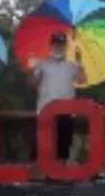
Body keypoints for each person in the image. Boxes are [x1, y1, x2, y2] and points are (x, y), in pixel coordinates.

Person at [27, 32, 86, 165]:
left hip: (66, 111)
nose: (59, 47)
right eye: (56, 44)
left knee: (63, 149)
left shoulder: (71, 65)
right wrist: (30, 69)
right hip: (46, 111)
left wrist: (80, 64)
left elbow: (82, 80)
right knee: (40, 149)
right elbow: (31, 84)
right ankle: (39, 175)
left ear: (66, 46)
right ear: (51, 46)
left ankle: (60, 173)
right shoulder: (42, 64)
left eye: (62, 44)